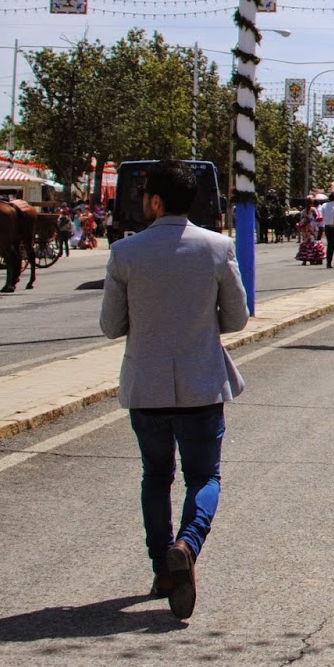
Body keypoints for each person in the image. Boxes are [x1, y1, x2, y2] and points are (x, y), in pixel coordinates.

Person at [98, 159, 248, 621]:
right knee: (204, 477)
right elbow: (237, 318)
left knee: (155, 476)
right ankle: (188, 543)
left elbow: (110, 326)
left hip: (147, 387)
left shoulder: (126, 253)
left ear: (156, 200)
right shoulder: (218, 247)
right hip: (201, 384)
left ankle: (162, 565)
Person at [318, 191, 334, 270]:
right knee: (332, 244)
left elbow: (321, 214)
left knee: (329, 244)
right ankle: (329, 262)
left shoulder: (324, 205)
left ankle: (328, 261)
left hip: (327, 226)